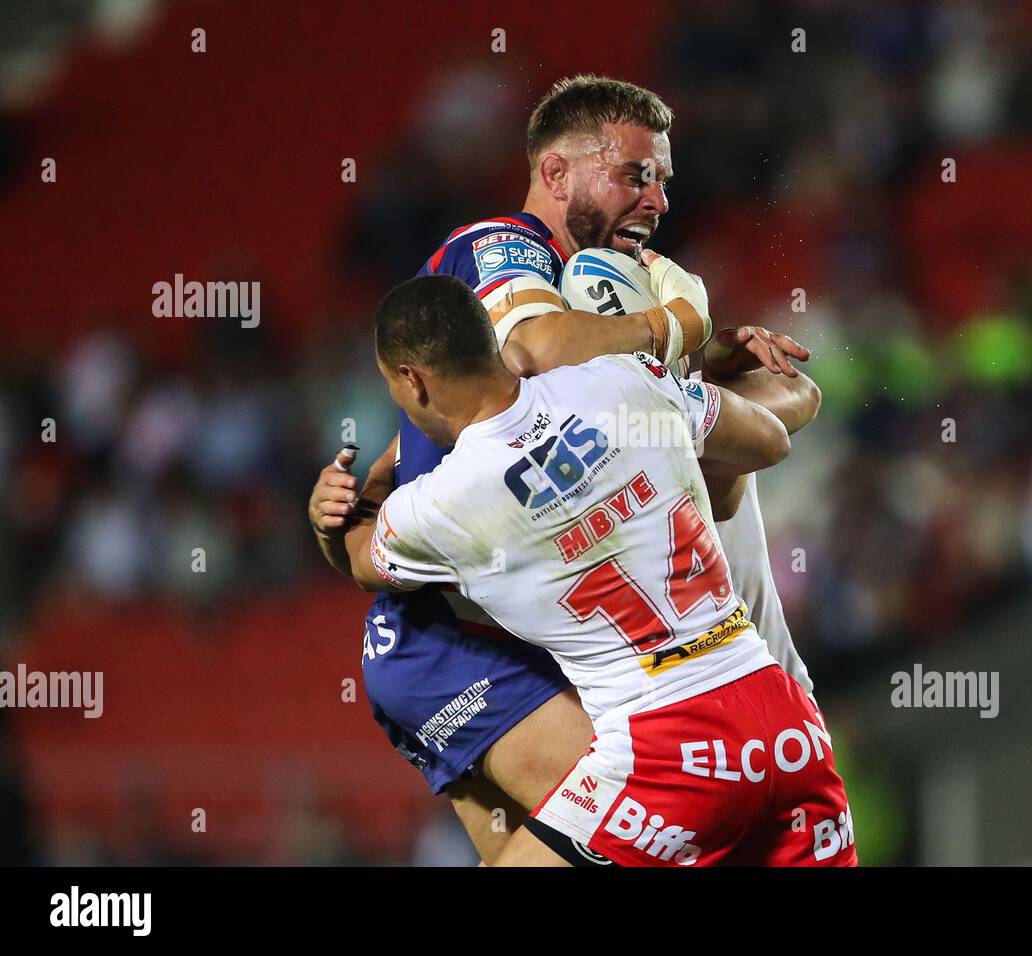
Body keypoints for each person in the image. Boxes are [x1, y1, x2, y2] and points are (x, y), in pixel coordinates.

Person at [308, 75, 817, 861]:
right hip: (454, 640)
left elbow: (526, 395)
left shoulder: (604, 309)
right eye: (635, 175)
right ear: (555, 175)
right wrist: (682, 324)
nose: (657, 201)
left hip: (510, 634)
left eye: (664, 181)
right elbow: (537, 347)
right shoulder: (502, 249)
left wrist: (701, 357)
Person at [342, 274, 855, 866]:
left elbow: (360, 560)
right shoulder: (621, 380)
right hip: (783, 719)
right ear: (492, 340)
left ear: (411, 380)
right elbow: (767, 442)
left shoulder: (438, 506)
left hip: (667, 745)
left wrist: (365, 490)